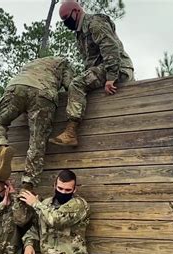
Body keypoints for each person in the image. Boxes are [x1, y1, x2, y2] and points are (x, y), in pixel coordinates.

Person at [49, 1, 135, 147]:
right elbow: (90, 62)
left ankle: (70, 132)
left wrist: (111, 77)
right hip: (105, 68)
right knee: (75, 84)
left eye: (67, 18)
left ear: (76, 12)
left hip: (117, 68)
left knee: (76, 84)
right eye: (63, 21)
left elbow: (111, 47)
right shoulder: (81, 33)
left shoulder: (94, 23)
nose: (66, 23)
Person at [0, 56, 74, 191]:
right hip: (44, 92)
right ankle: (28, 185)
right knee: (37, 142)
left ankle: (0, 148)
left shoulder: (31, 63)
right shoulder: (64, 62)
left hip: (16, 87)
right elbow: (71, 86)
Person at [20, 169, 91, 254]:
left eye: (68, 190)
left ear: (74, 189)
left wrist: (36, 204)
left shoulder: (79, 205)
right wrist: (29, 244)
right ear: (54, 185)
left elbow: (55, 220)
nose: (63, 192)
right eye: (60, 188)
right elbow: (35, 228)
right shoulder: (46, 203)